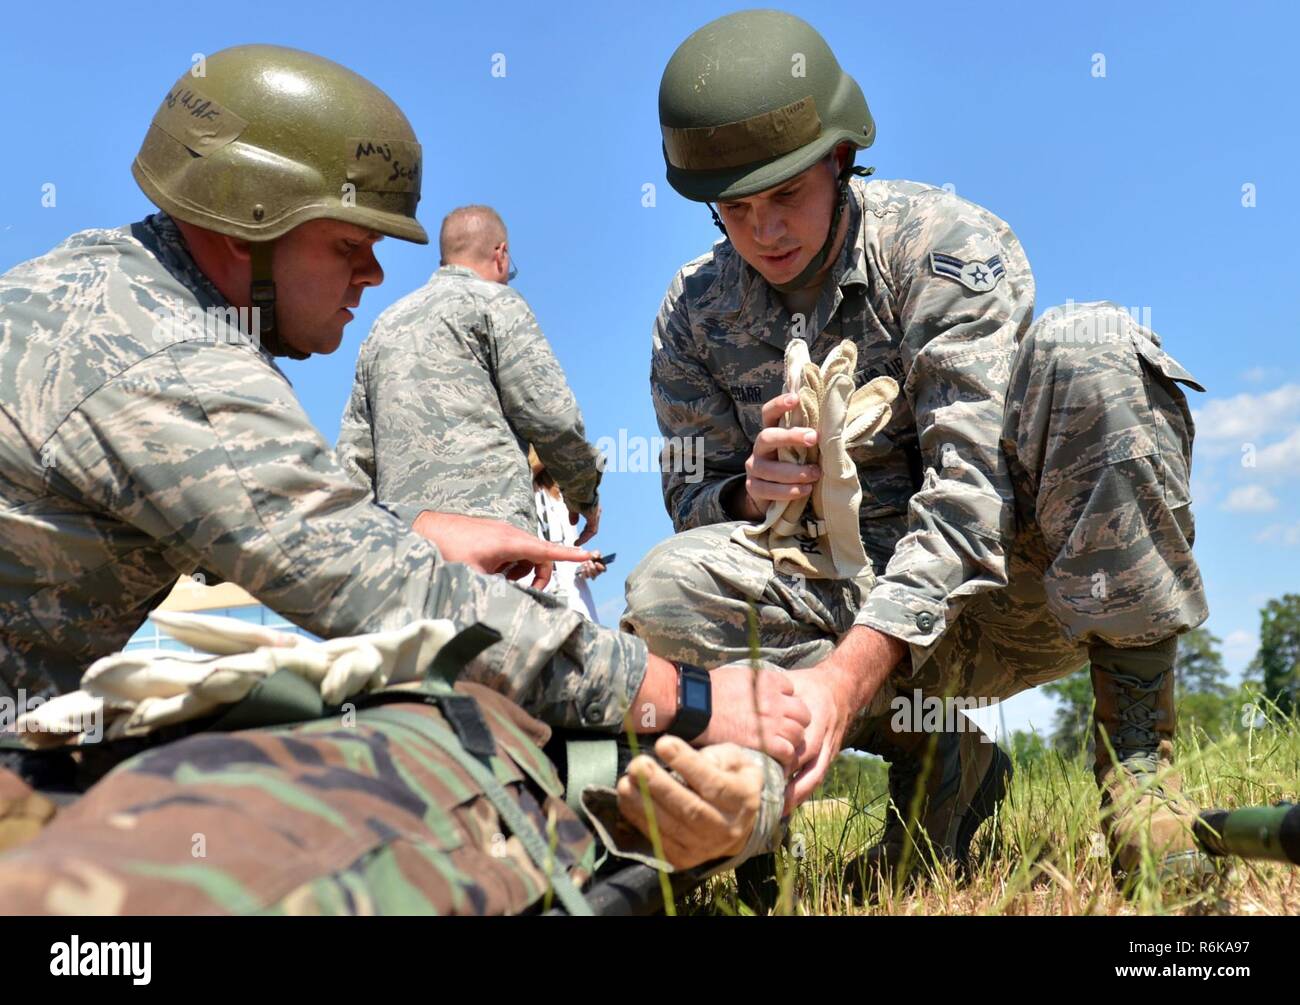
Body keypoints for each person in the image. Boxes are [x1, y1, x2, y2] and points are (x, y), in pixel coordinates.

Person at [0, 44, 811, 913]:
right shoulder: (169, 358)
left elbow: (309, 496)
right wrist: (687, 694)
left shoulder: (99, 290)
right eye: (350, 243)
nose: (375, 274)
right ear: (247, 221)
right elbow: (387, 588)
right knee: (453, 743)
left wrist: (404, 529)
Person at [621, 9, 1208, 884]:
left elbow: (970, 493)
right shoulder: (693, 313)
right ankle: (920, 774)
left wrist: (845, 678)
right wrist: (749, 495)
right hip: (837, 603)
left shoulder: (940, 246)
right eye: (736, 209)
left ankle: (1139, 774)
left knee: (1092, 345)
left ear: (839, 156)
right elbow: (691, 499)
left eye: (785, 196)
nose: (764, 231)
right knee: (668, 587)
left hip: (1013, 592)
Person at [337, 204, 602, 544]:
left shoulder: (383, 328)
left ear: (443, 261)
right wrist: (583, 493)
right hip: (492, 542)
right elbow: (554, 418)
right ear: (501, 255)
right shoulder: (496, 302)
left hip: (405, 552)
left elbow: (353, 459)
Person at [530, 447, 606, 621]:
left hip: (575, 606)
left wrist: (586, 563)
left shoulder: (562, 497)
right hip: (532, 604)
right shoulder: (509, 491)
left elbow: (594, 457)